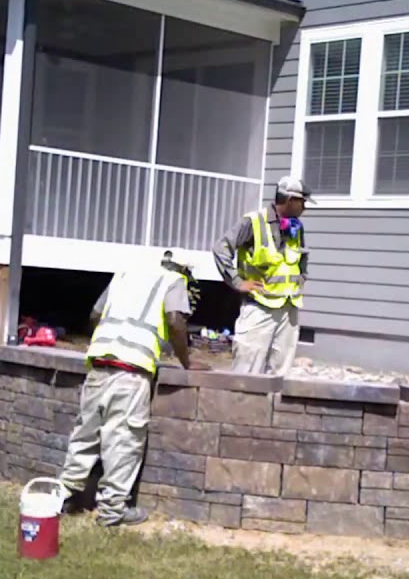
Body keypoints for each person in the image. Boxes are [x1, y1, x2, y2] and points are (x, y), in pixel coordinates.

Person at [58, 251, 209, 527]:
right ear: (183, 270)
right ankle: (113, 509)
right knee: (124, 439)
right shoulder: (174, 280)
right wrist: (186, 361)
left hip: (100, 363)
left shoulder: (126, 274)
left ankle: (64, 496)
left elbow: (95, 314)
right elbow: (175, 320)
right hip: (132, 370)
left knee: (85, 433)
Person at [212, 176, 311, 376]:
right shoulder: (254, 222)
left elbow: (299, 259)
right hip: (259, 309)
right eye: (303, 201)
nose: (305, 207)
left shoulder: (295, 226)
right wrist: (237, 282)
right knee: (247, 373)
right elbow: (221, 248)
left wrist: (302, 277)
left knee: (279, 375)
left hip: (288, 309)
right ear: (290, 200)